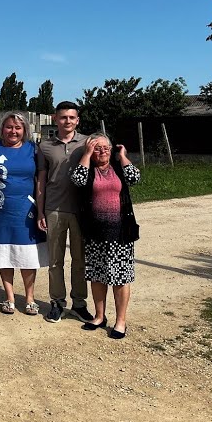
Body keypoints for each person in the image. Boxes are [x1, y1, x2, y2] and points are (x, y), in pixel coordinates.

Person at [70, 133, 142, 339]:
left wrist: (123, 155)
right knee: (97, 276)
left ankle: (121, 321)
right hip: (95, 234)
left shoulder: (118, 168)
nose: (102, 151)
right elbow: (77, 180)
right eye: (96, 148)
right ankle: (100, 316)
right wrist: (86, 154)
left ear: (111, 150)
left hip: (121, 233)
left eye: (105, 147)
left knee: (121, 277)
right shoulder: (88, 169)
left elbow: (135, 178)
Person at [0, 112, 49, 315]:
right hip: (0, 209)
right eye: (9, 127)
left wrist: (41, 210)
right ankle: (9, 297)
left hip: (26, 209)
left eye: (18, 128)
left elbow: (40, 180)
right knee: (4, 253)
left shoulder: (33, 149)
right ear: (2, 129)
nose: (13, 131)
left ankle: (29, 298)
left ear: (24, 130)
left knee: (28, 255)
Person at [35, 101, 91, 323]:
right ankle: (57, 302)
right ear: (55, 119)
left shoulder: (87, 143)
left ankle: (79, 303)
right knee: (55, 261)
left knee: (80, 260)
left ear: (77, 120)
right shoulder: (45, 146)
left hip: (81, 210)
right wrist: (40, 211)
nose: (67, 121)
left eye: (71, 117)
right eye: (63, 117)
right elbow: (41, 180)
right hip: (54, 208)